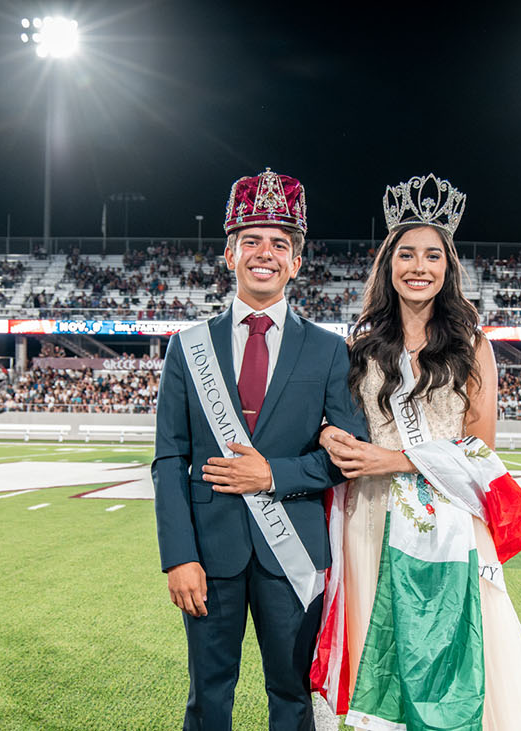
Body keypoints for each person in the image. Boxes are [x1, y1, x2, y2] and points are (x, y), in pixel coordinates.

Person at [313, 174, 521, 730]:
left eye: (432, 255)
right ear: (388, 264)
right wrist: (331, 435)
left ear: (449, 268)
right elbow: (339, 421)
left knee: (450, 658)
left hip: (446, 521)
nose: (418, 267)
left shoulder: (473, 344)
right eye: (405, 254)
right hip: (368, 520)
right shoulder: (360, 343)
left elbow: (481, 448)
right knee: (377, 653)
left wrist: (395, 460)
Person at [152, 169, 368, 730]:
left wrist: (272, 474)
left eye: (279, 243)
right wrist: (178, 556)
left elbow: (349, 455)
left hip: (292, 550)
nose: (264, 253)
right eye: (251, 240)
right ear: (230, 254)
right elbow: (170, 460)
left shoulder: (327, 350)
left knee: (293, 698)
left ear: (297, 262)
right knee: (208, 697)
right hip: (208, 554)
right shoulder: (186, 348)